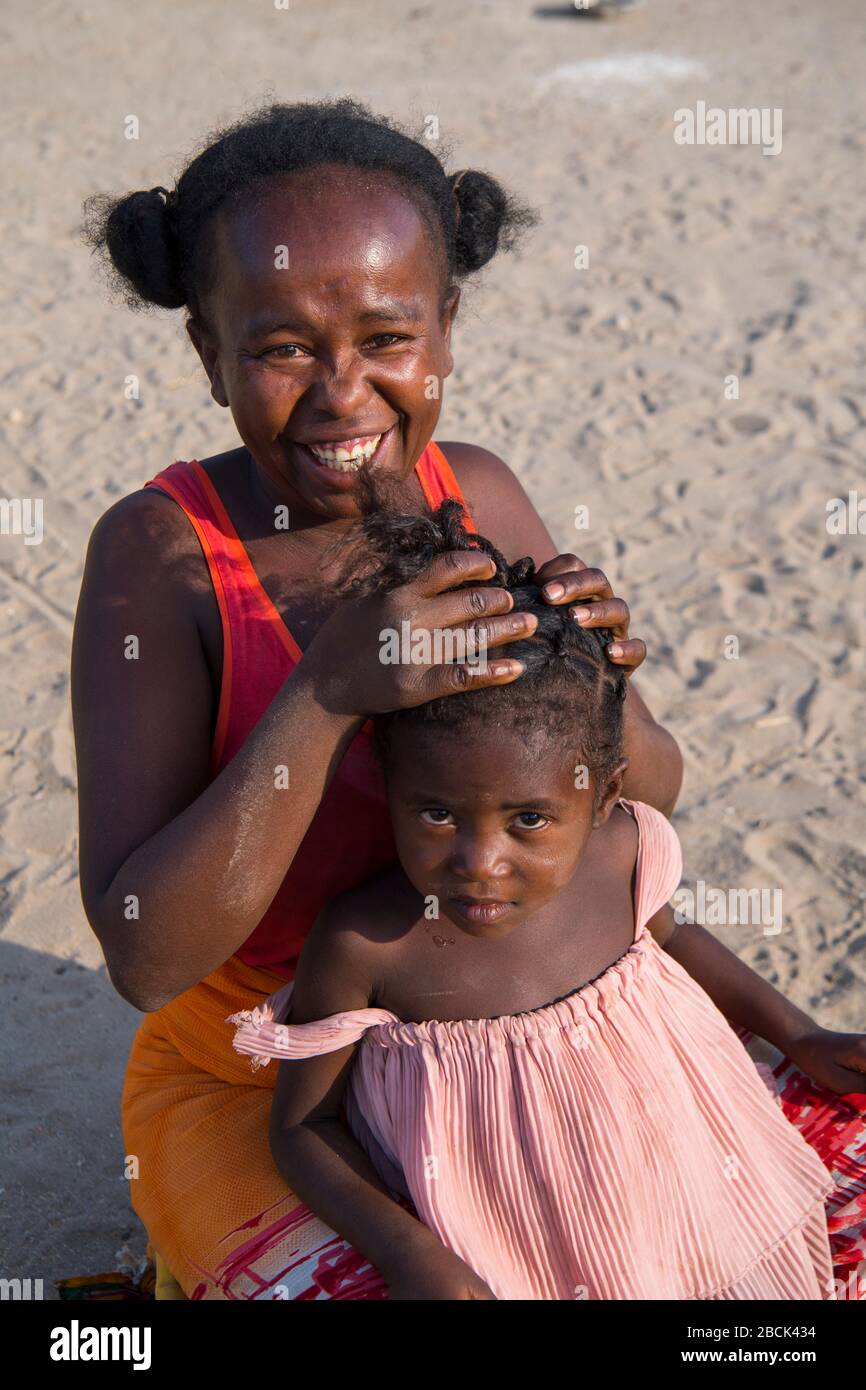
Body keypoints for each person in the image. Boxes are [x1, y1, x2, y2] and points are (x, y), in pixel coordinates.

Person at [74, 98, 683, 1299]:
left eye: (387, 337)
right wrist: (326, 692)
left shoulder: (483, 498)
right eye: (284, 347)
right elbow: (146, 956)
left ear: (445, 329)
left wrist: (613, 695)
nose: (345, 395)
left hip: (510, 1036)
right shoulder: (165, 559)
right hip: (268, 1087)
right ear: (209, 353)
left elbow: (642, 806)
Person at [232, 495, 866, 1301]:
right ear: (387, 787)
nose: (480, 862)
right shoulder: (368, 944)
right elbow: (302, 1128)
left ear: (601, 798)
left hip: (690, 1188)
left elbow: (675, 940)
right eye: (436, 814)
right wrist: (409, 1254)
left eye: (529, 819)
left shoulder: (620, 854)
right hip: (510, 1247)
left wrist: (800, 1036)